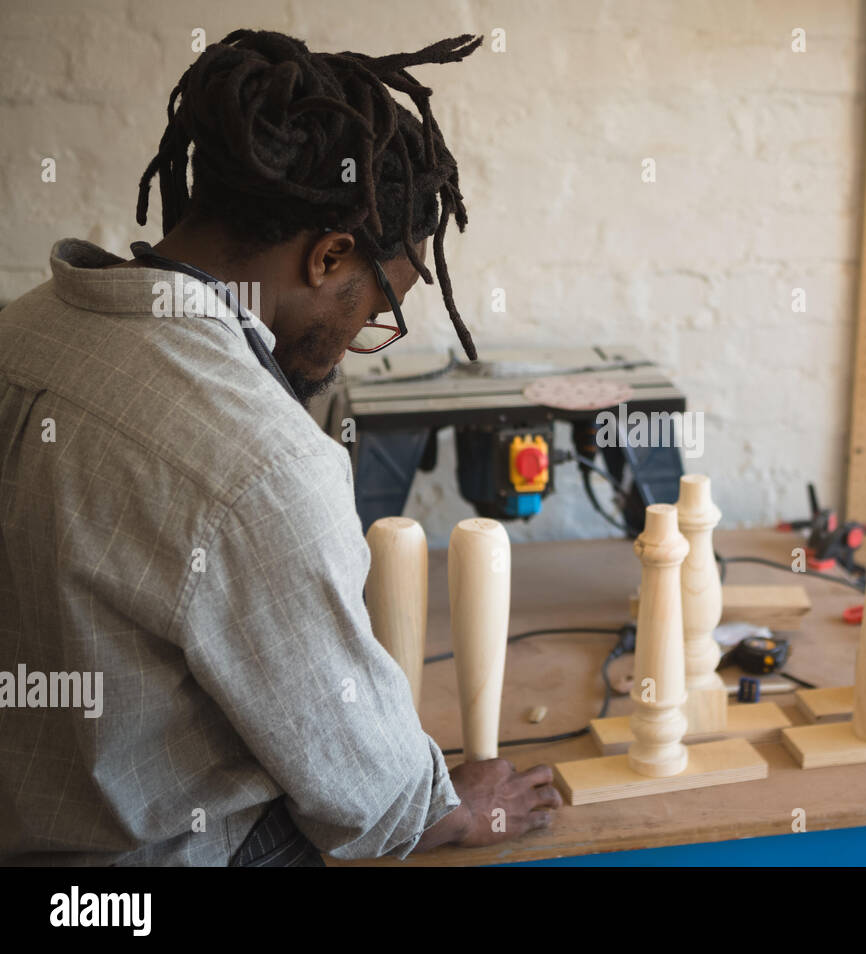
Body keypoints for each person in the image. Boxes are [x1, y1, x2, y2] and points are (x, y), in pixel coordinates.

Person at [0, 29, 559, 866]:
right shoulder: (263, 462)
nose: (360, 337)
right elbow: (367, 796)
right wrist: (452, 808)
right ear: (331, 254)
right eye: (375, 310)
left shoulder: (22, 329)